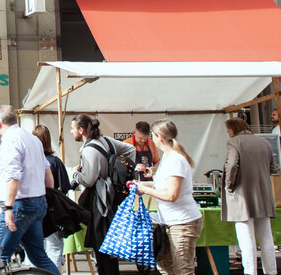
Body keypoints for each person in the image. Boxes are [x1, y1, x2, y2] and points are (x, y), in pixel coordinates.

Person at [0, 105, 59, 274]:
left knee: (0, 256)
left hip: (19, 204)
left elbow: (14, 176)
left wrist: (8, 207)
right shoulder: (33, 139)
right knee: (38, 256)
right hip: (37, 202)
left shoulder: (9, 141)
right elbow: (47, 173)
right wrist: (47, 197)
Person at [132, 120, 202, 275]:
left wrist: (146, 190)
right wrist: (142, 186)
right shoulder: (167, 158)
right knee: (163, 263)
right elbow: (162, 186)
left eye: (153, 136)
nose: (151, 139)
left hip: (182, 222)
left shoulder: (176, 160)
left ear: (159, 137)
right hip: (170, 222)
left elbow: (172, 195)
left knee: (183, 269)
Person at [69, 114, 134, 275]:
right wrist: (118, 175)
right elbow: (130, 149)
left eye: (73, 129)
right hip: (111, 197)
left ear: (82, 130)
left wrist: (74, 173)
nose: (71, 132)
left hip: (100, 201)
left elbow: (89, 180)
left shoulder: (89, 150)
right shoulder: (106, 141)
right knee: (109, 245)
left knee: (102, 245)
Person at [222, 117, 277, 275]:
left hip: (242, 195)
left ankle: (250, 272)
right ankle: (271, 272)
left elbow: (232, 165)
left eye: (228, 131)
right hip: (263, 195)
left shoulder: (234, 142)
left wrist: (229, 185)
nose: (228, 134)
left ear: (233, 129)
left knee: (246, 238)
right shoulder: (264, 142)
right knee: (266, 237)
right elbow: (272, 167)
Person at [32, 125, 69, 271]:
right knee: (54, 248)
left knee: (34, 250)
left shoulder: (32, 162)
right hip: (53, 210)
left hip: (34, 209)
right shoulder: (55, 162)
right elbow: (64, 187)